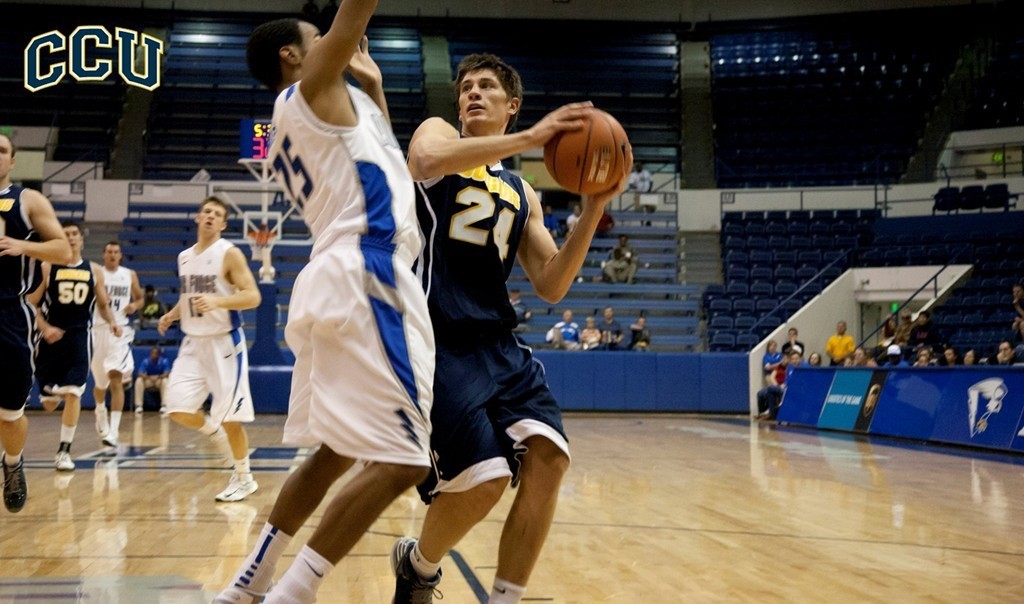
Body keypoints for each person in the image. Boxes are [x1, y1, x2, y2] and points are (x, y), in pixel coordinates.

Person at [391, 51, 629, 604]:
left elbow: (550, 282)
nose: (471, 93)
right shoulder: (439, 136)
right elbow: (425, 161)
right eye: (466, 87)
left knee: (551, 457)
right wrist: (531, 138)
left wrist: (593, 208)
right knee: (486, 480)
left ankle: (505, 598)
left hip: (499, 343)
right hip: (437, 339)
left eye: (486, 87)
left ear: (511, 104)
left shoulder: (523, 194)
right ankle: (420, 566)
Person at [216, 7, 436, 603]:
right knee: (407, 457)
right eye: (318, 40)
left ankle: (248, 584)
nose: (335, 44)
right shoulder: (309, 88)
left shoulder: (327, 108)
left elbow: (390, 163)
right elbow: (354, 12)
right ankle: (295, 591)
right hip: (369, 271)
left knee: (335, 452)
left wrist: (376, 88)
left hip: (339, 271)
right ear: (294, 55)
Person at [157, 197, 261, 503]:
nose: (211, 217)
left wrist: (218, 301)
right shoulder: (185, 256)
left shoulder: (228, 253)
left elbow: (253, 296)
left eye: (217, 214)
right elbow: (189, 294)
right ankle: (212, 431)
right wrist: (172, 314)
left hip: (224, 342)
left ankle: (244, 478)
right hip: (192, 343)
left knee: (232, 418)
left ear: (223, 224)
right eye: (207, 212)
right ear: (198, 217)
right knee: (176, 408)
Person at [0, 132, 72, 513]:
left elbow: (62, 248)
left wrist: (23, 246)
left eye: (2, 150)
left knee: (10, 413)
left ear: (12, 161)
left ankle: (12, 462)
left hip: (9, 314)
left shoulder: (27, 200)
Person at [28, 222, 121, 471]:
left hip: (80, 337)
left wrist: (112, 322)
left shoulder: (94, 270)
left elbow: (102, 303)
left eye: (74, 234)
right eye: (65, 234)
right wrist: (44, 327)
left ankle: (64, 451)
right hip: (50, 339)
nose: (70, 238)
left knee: (75, 392)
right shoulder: (47, 267)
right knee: (49, 404)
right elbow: (30, 303)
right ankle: (49, 388)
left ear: (81, 239)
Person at [91, 240, 144, 447]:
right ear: (103, 255)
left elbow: (140, 298)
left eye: (116, 252)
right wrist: (98, 298)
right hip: (97, 329)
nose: (112, 255)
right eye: (109, 251)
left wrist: (134, 305)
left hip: (119, 330)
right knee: (100, 383)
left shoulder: (129, 275)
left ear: (120, 255)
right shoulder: (96, 274)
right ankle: (99, 410)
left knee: (116, 376)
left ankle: (113, 431)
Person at [134, 345, 171, 413]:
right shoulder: (146, 361)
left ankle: (164, 405)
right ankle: (139, 406)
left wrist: (159, 377)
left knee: (166, 381)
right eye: (152, 353)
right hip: (149, 379)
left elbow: (167, 373)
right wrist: (148, 377)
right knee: (139, 380)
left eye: (155, 353)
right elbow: (139, 373)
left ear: (159, 354)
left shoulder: (164, 361)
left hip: (159, 380)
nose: (153, 355)